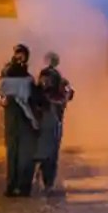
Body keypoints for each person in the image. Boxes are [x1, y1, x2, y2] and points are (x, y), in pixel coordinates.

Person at [0, 44, 40, 197]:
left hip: (15, 118)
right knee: (21, 153)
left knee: (15, 153)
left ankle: (15, 185)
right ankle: (20, 186)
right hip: (21, 119)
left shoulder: (8, 76)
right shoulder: (27, 79)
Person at [33, 51, 74, 192]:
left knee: (48, 150)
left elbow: (67, 95)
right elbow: (65, 96)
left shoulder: (52, 78)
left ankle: (46, 178)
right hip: (50, 117)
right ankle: (47, 180)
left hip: (51, 117)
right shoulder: (57, 78)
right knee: (50, 150)